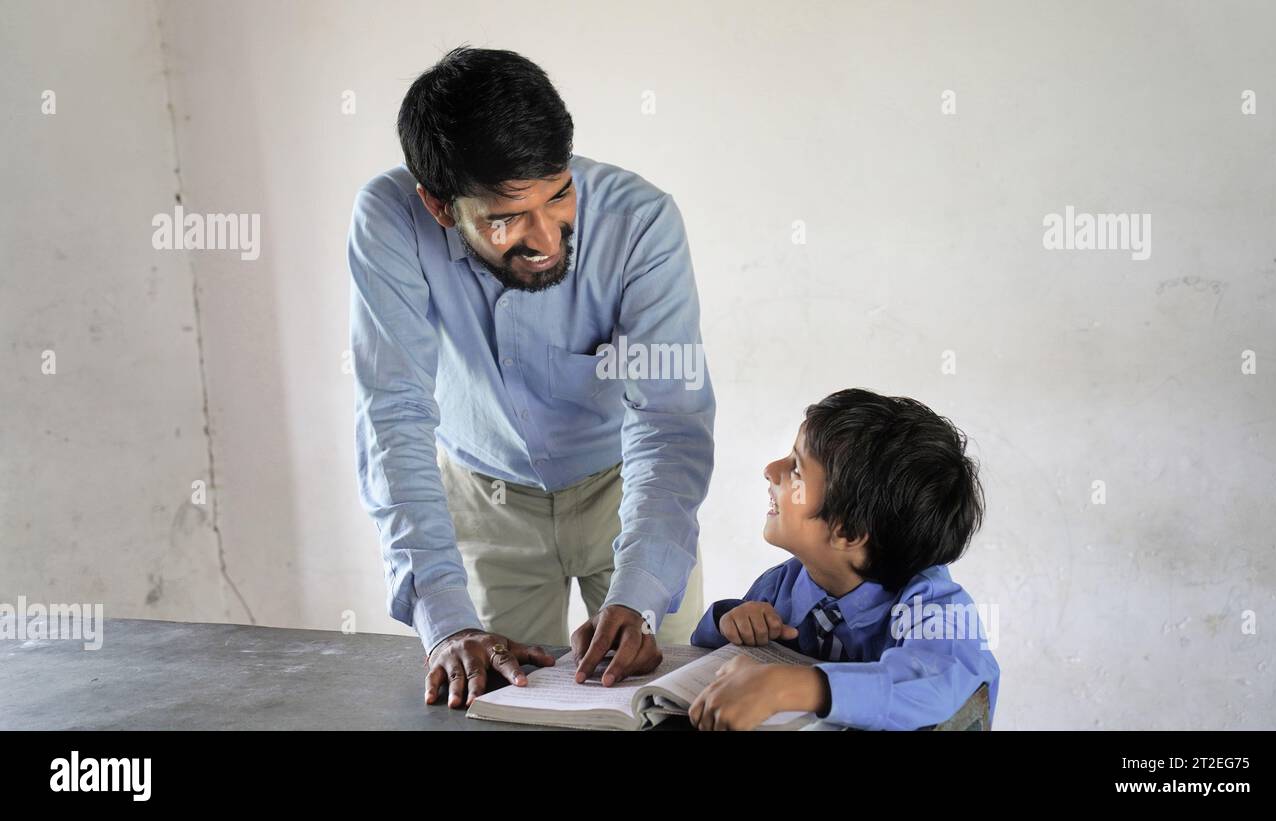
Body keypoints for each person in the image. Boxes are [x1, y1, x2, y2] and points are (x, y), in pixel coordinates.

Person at [348, 47, 715, 709]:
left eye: (559, 194)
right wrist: (446, 620)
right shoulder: (390, 219)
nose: (547, 238)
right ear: (439, 205)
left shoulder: (642, 223)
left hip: (627, 487)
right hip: (485, 500)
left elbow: (668, 421)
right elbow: (393, 412)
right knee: (500, 708)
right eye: (507, 216)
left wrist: (640, 592)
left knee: (668, 705)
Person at [688, 388, 999, 730]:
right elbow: (707, 653)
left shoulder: (935, 607)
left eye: (796, 470)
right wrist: (730, 621)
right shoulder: (781, 585)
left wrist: (795, 687)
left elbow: (939, 678)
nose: (770, 469)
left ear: (849, 532)